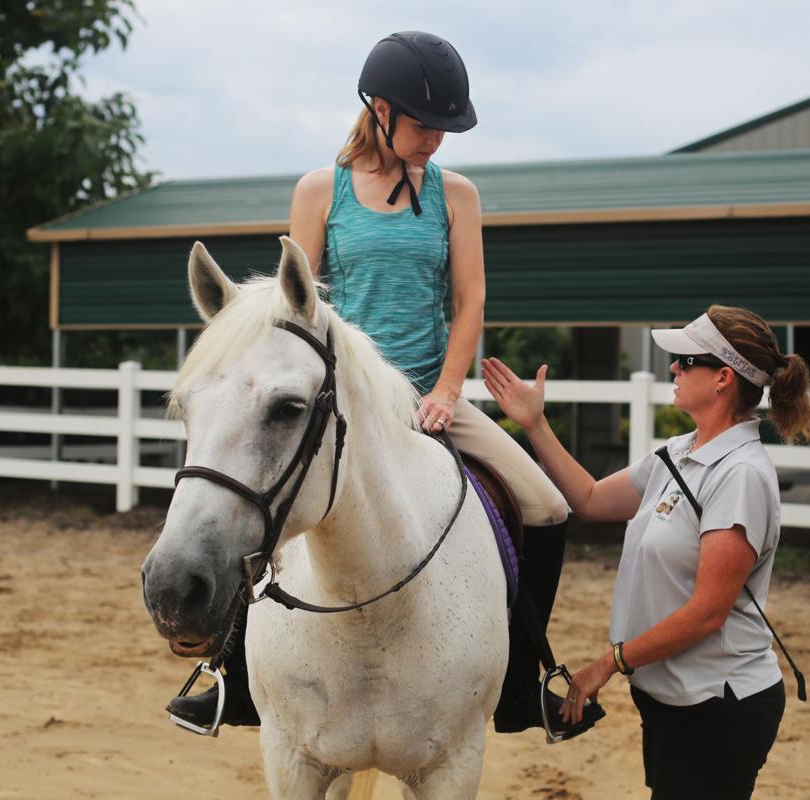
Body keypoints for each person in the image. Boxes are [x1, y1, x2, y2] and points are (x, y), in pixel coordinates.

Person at [167, 30, 598, 739]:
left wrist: (448, 392)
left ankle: (525, 682)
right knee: (269, 505)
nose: (435, 141)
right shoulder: (320, 190)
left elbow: (471, 303)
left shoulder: (457, 195)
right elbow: (291, 309)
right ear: (380, 109)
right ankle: (232, 679)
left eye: (444, 130)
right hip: (341, 403)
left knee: (547, 506)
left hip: (429, 398)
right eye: (426, 125)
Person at [482, 305, 810, 799]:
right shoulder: (680, 452)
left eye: (684, 360)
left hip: (716, 704)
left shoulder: (740, 474)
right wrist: (534, 423)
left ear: (723, 378)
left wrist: (607, 664)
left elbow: (706, 613)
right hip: (672, 699)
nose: (674, 369)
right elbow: (591, 500)